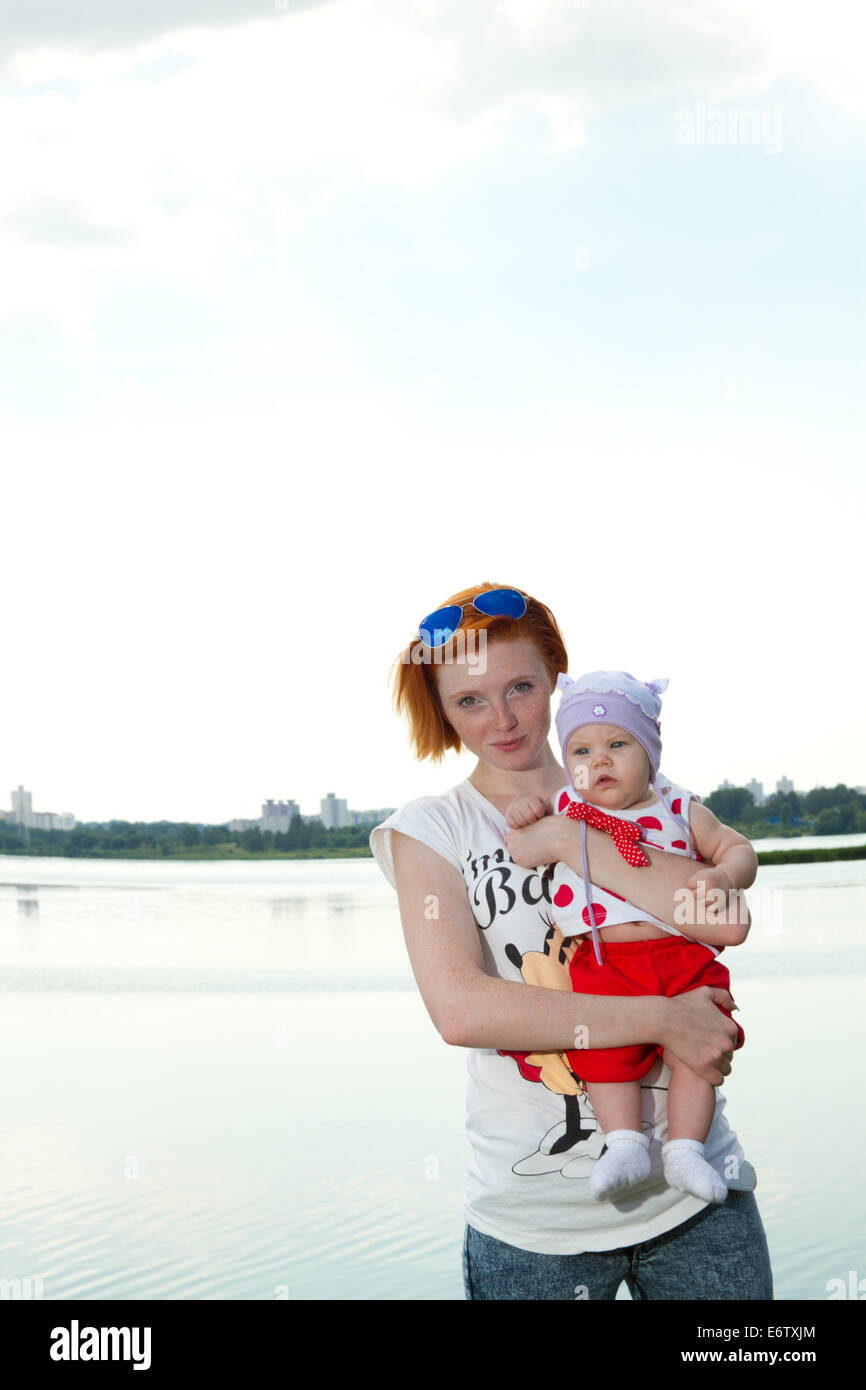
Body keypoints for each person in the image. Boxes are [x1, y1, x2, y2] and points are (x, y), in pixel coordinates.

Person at [370, 582, 773, 1300]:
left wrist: (567, 838)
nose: (502, 719)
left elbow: (723, 920)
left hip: (698, 1203)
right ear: (443, 710)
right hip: (536, 1234)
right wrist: (662, 1019)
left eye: (520, 686)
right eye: (469, 701)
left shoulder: (636, 785)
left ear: (557, 674)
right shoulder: (431, 829)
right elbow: (462, 1010)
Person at [504, 669, 754, 1207]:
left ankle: (686, 1150)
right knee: (604, 1051)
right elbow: (522, 844)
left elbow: (738, 848)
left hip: (683, 955)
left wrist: (723, 876)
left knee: (698, 1051)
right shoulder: (568, 808)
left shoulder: (679, 807)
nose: (600, 761)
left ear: (651, 753)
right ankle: (624, 1144)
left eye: (618, 744)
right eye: (582, 750)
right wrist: (523, 814)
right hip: (604, 957)